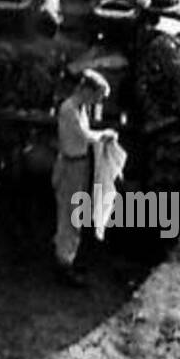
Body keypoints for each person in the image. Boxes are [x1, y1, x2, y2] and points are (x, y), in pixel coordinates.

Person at [51, 70, 119, 287]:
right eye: (96, 96)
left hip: (78, 165)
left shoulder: (80, 109)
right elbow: (84, 135)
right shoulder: (69, 109)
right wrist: (104, 135)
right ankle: (64, 264)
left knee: (75, 214)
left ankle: (67, 256)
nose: (96, 102)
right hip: (70, 165)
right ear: (87, 90)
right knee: (70, 216)